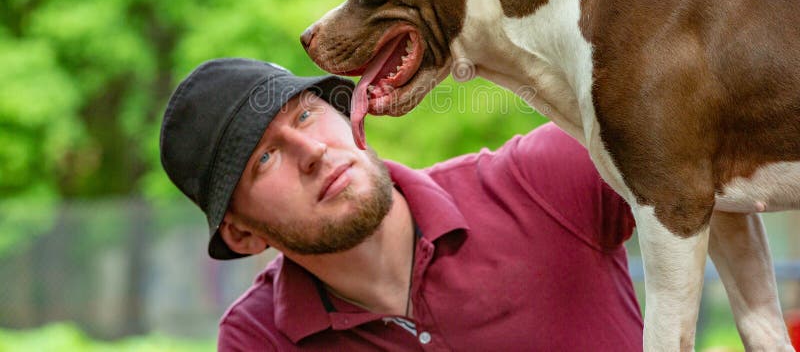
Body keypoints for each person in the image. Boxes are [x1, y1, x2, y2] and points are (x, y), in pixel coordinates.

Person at [160, 58, 643, 351]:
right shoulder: (260, 339)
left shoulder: (537, 180)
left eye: (306, 115)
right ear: (244, 235)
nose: (312, 153)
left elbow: (694, 110)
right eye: (264, 158)